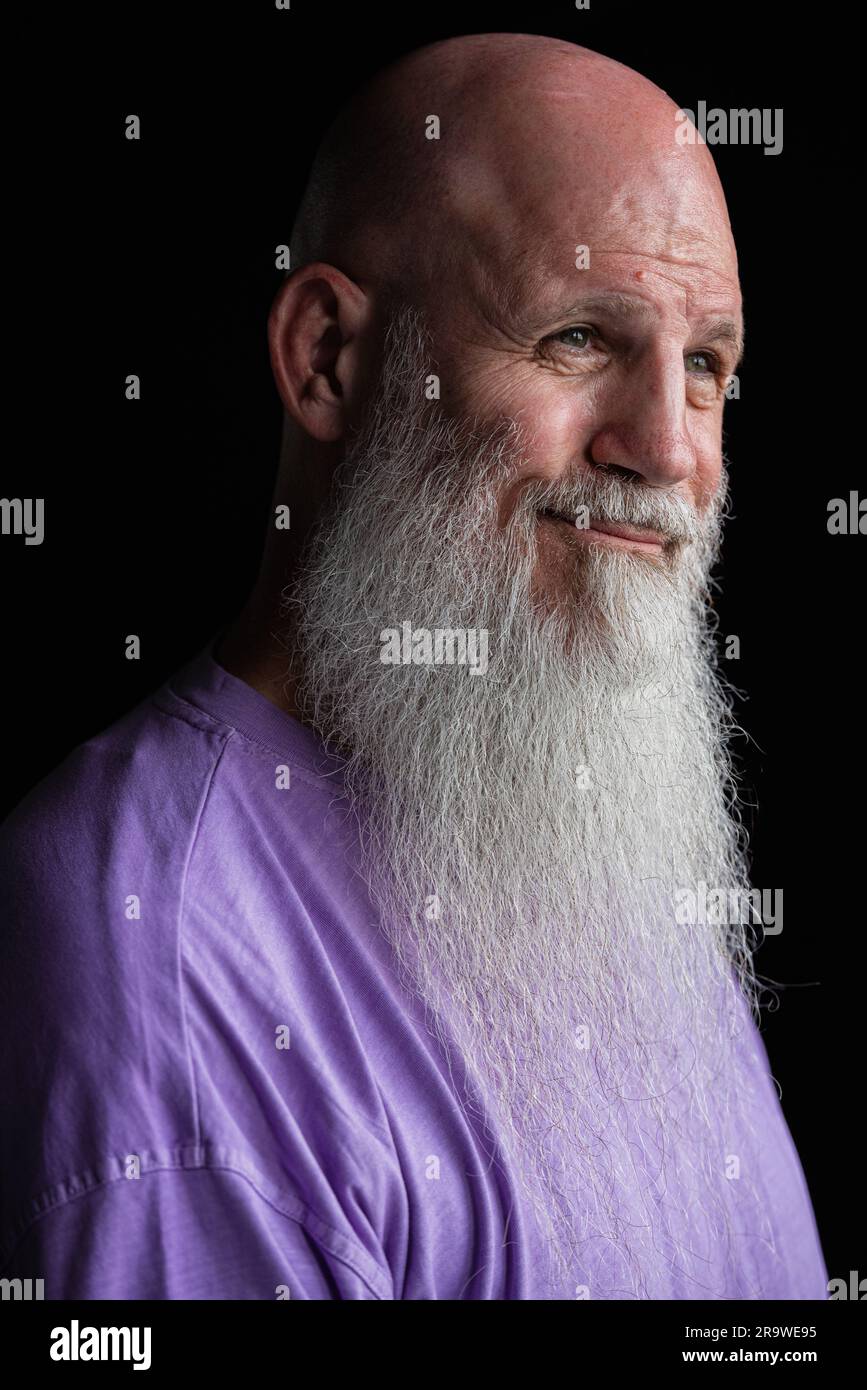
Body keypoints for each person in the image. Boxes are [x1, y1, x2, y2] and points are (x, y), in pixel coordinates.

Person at [0, 32, 827, 1300]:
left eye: (709, 364)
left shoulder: (577, 811)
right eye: (578, 337)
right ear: (329, 358)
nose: (669, 450)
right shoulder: (151, 952)